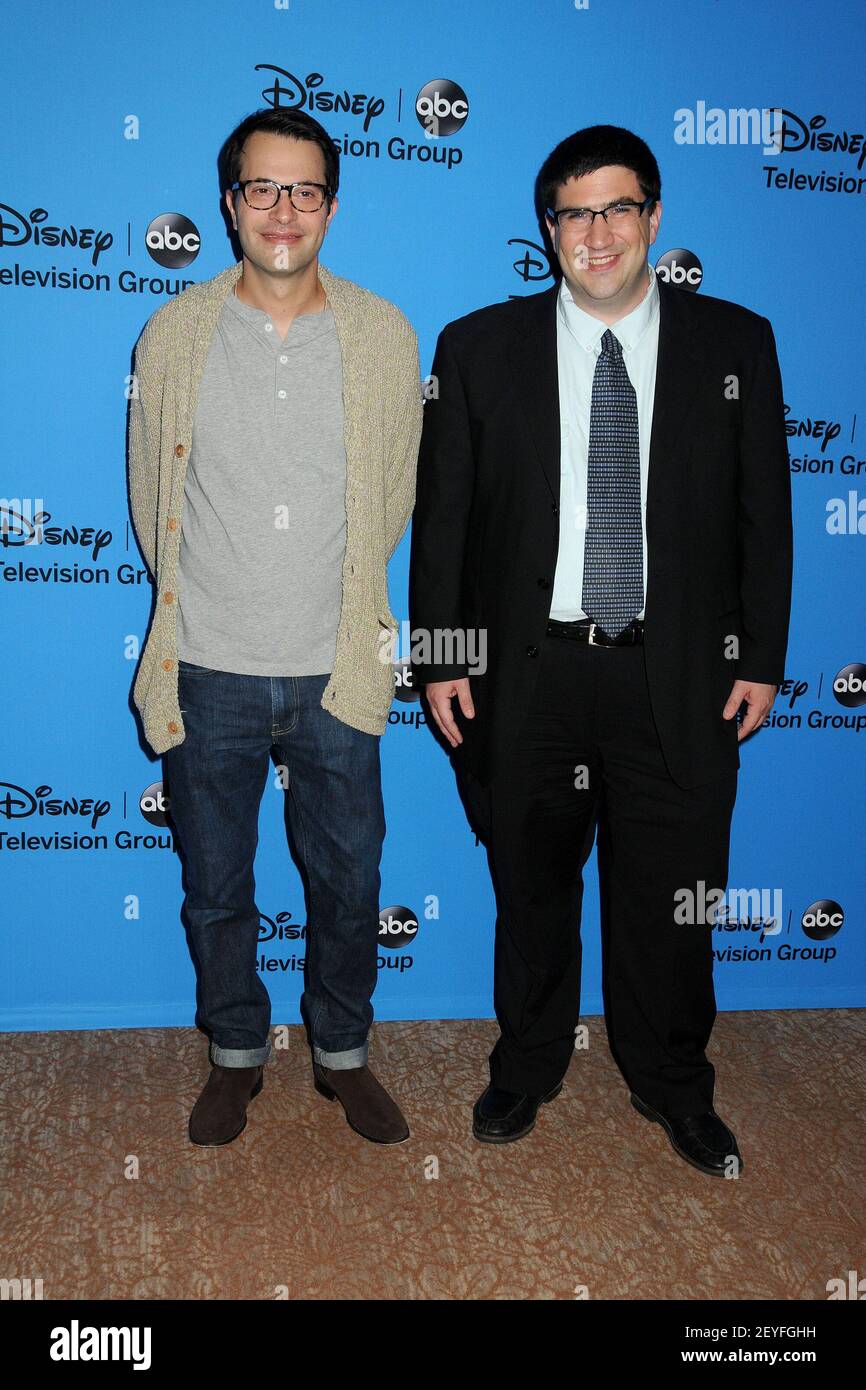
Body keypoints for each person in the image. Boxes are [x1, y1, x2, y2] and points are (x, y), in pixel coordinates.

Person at [409, 124, 792, 1176]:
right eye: (574, 212)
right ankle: (526, 1063)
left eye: (618, 207)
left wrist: (759, 655)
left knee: (673, 895)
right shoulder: (475, 349)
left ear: (654, 217)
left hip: (677, 672)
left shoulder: (734, 345)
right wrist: (440, 656)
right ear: (548, 229)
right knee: (529, 887)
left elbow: (766, 514)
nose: (597, 231)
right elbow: (441, 526)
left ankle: (672, 1081)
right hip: (529, 673)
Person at [128, 107, 422, 1147]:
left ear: (332, 206)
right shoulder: (175, 332)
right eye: (262, 189)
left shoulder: (384, 334)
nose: (282, 212)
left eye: (304, 191)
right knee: (216, 887)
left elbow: (392, 497)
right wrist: (212, 597)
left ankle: (342, 1055)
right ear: (230, 202)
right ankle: (235, 1054)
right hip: (207, 664)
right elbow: (152, 502)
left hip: (338, 665)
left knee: (350, 884)